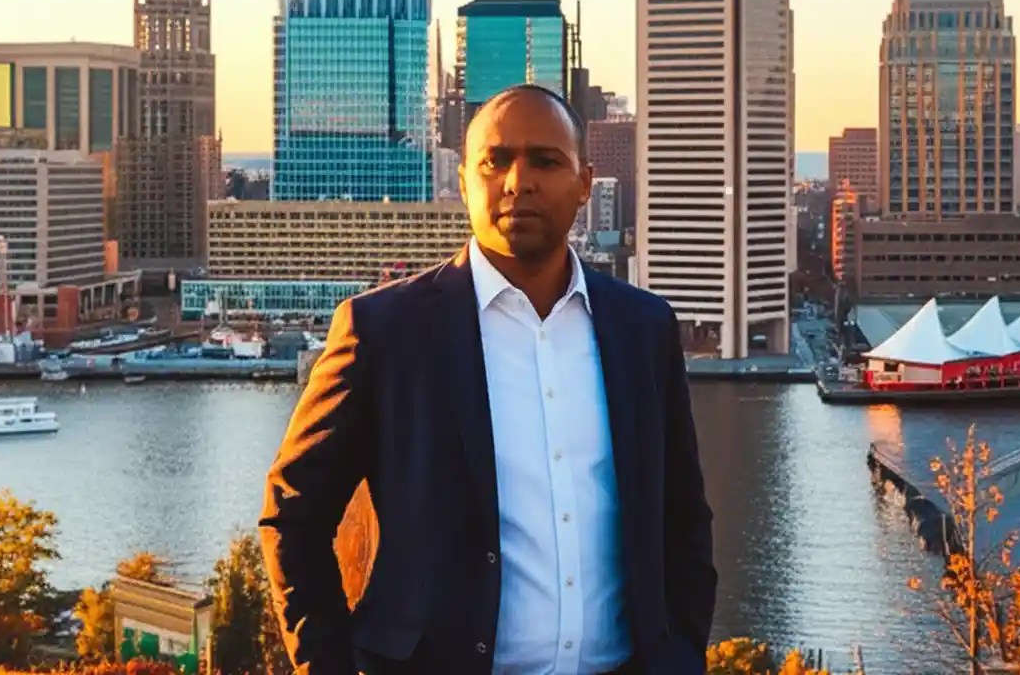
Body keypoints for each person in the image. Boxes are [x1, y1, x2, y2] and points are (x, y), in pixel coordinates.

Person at [259, 84, 716, 674]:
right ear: (465, 181)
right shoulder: (384, 331)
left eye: (546, 161)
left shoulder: (643, 328)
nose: (517, 181)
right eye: (495, 161)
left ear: (585, 182)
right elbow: (292, 515)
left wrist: (680, 656)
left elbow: (682, 518)